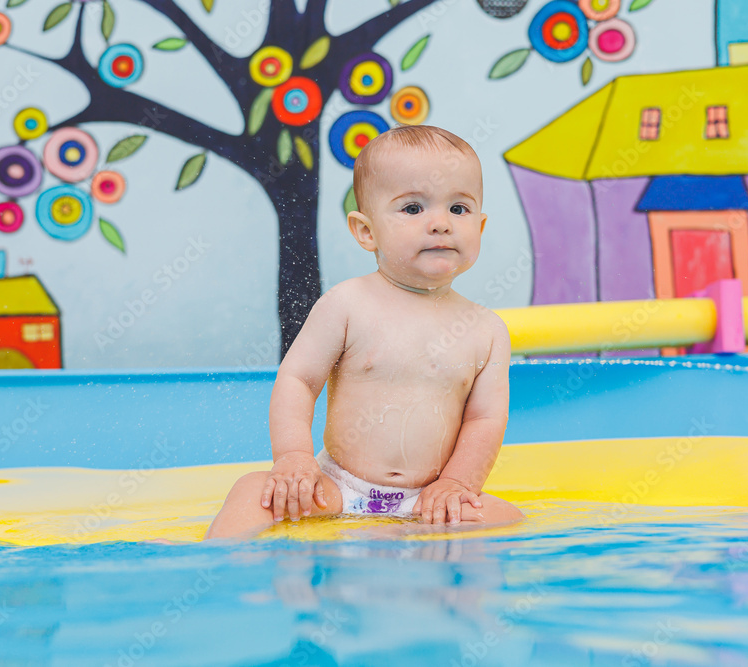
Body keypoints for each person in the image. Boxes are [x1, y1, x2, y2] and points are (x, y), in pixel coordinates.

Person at [206, 125, 523, 539]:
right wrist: (294, 458)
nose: (441, 224)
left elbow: (485, 419)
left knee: (509, 517)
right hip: (335, 486)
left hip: (423, 499)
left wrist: (456, 486)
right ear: (366, 231)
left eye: (458, 210)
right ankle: (213, 560)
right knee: (253, 491)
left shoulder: (487, 330)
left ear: (479, 229)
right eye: (413, 209)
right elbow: (298, 379)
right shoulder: (347, 304)